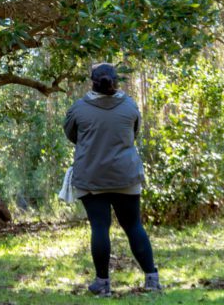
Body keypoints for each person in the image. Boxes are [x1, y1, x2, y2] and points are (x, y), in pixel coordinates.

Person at [63, 62, 160, 296]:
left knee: (99, 227)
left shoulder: (79, 108)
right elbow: (133, 134)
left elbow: (71, 135)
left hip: (92, 176)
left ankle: (103, 284)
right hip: (125, 176)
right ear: (116, 81)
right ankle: (152, 281)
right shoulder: (130, 106)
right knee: (133, 225)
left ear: (92, 82)